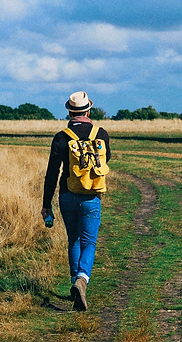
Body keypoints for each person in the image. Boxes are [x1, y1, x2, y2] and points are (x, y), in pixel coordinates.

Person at [42, 91, 111, 311]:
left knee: (73, 240)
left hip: (67, 195)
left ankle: (75, 285)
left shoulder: (61, 137)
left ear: (70, 112)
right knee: (89, 242)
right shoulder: (101, 134)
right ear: (88, 110)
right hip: (91, 196)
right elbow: (105, 159)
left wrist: (46, 204)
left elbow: (52, 173)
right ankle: (82, 280)